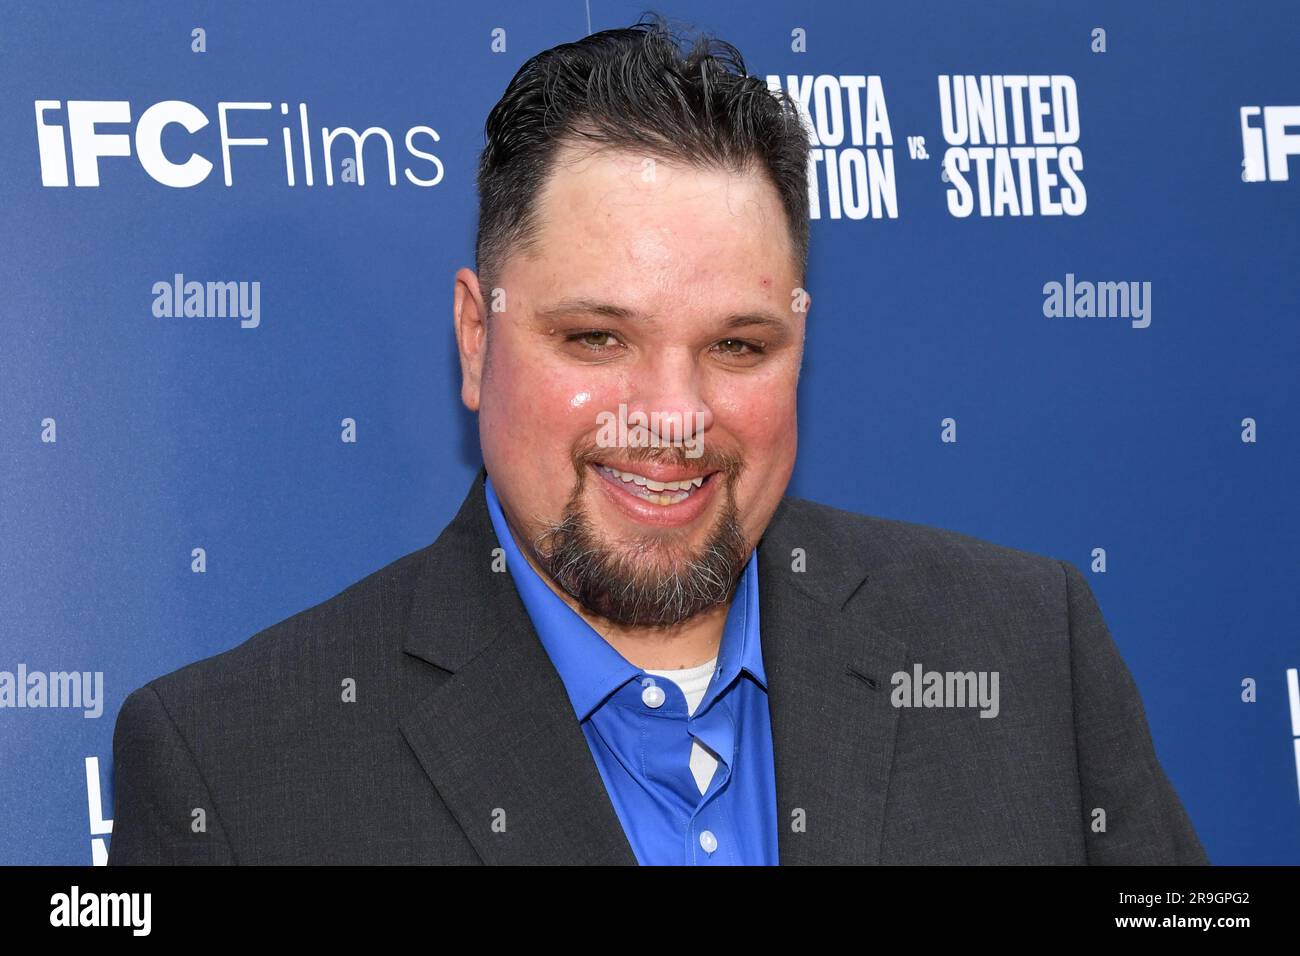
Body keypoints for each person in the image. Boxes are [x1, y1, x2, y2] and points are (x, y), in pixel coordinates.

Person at [109, 15, 1207, 865]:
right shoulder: (235, 770)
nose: (670, 417)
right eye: (597, 337)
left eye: (736, 346)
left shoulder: (1028, 650)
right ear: (475, 337)